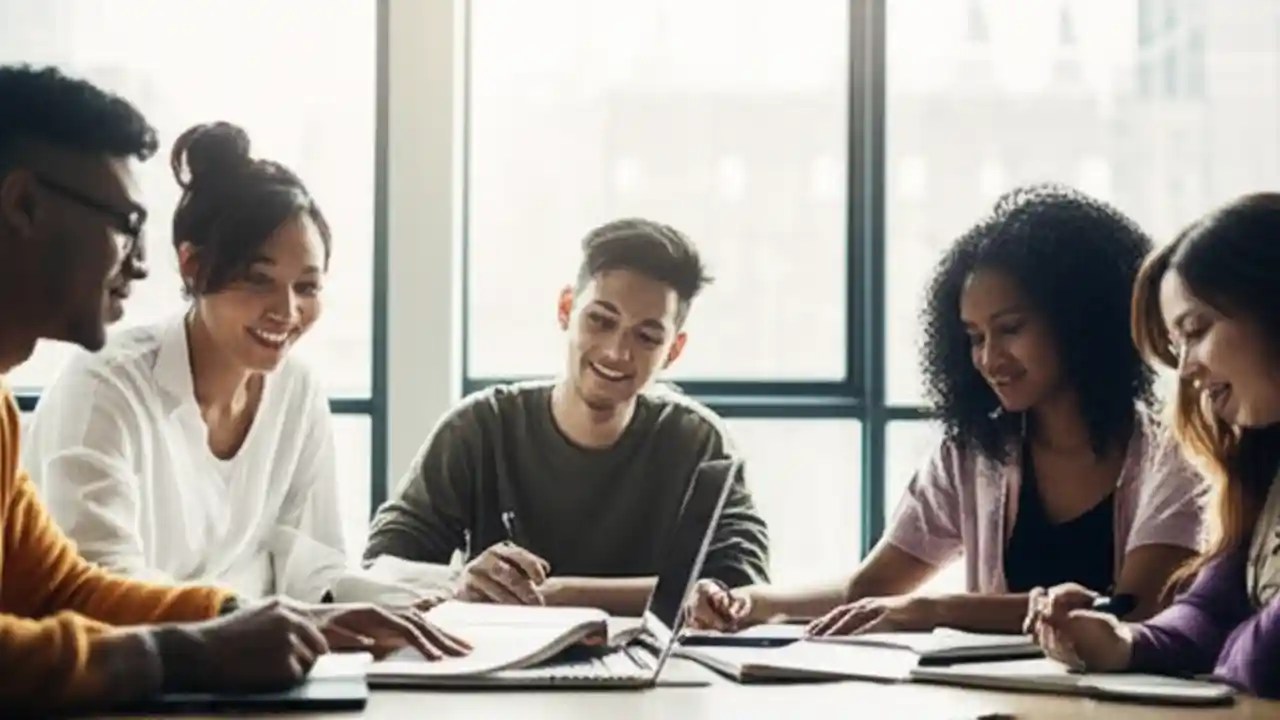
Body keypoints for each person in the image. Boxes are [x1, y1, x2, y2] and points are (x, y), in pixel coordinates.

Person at [0, 65, 464, 714]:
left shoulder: (1, 413)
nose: (138, 263)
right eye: (123, 222)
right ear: (22, 206)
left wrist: (255, 620)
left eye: (308, 285)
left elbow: (59, 588)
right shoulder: (102, 386)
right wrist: (190, 650)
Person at [687, 183, 1207, 635]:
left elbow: (1131, 609)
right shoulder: (973, 454)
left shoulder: (1177, 452)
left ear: (1079, 320)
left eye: (1010, 329)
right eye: (974, 337)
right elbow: (869, 591)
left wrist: (935, 609)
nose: (988, 358)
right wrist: (750, 604)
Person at [26, 120, 424, 606]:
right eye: (259, 280)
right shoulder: (106, 386)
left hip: (256, 662)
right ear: (192, 266)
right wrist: (262, 623)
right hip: (137, 664)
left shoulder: (297, 390)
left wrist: (429, 601)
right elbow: (104, 582)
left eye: (307, 287)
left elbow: (315, 569)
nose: (287, 311)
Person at [364, 218, 770, 614]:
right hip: (500, 671)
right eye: (600, 320)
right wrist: (460, 586)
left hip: (654, 678)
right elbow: (383, 567)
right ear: (565, 310)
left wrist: (559, 593)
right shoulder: (480, 428)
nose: (616, 352)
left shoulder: (699, 442)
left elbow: (740, 589)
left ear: (674, 350)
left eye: (646, 337)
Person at [1028, 193, 1280, 699]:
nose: (1186, 369)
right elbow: (1210, 612)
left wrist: (1228, 649)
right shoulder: (1264, 466)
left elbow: (1268, 660)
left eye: (1196, 330)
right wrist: (1120, 641)